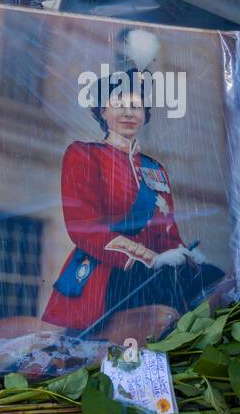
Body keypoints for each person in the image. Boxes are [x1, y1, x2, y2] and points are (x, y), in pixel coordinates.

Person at [41, 68, 224, 340]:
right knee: (171, 290)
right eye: (120, 105)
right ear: (103, 111)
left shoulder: (155, 168)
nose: (129, 113)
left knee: (214, 278)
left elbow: (167, 231)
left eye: (136, 106)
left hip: (157, 268)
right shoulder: (83, 154)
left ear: (145, 115)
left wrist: (185, 253)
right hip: (109, 271)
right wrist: (151, 258)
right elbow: (83, 228)